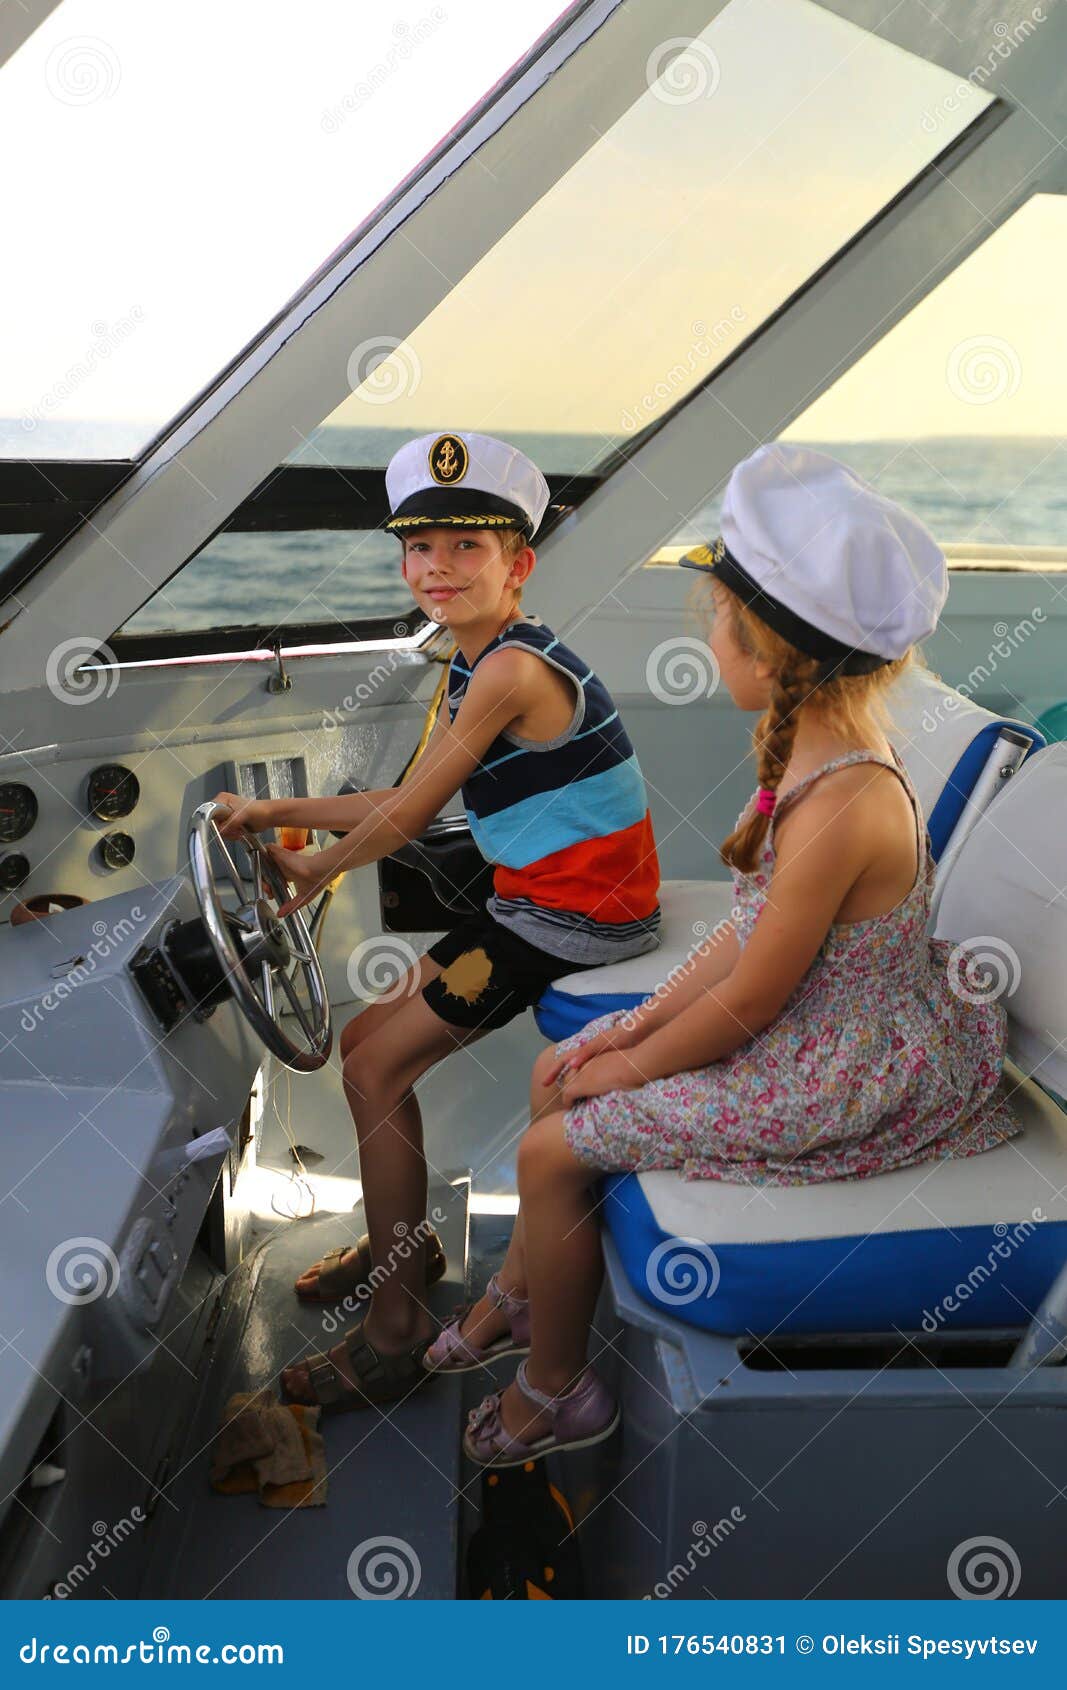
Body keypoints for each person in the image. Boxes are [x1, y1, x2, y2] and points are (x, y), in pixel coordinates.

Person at [456, 442, 1023, 1468]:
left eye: (715, 621)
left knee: (546, 1147)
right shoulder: (812, 748)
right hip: (808, 1022)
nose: (705, 640)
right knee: (556, 1071)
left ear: (767, 654)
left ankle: (557, 1392)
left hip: (836, 1067)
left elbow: (754, 997)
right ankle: (525, 1292)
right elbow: (743, 931)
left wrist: (630, 1062)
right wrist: (631, 1029)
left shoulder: (841, 801)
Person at [211, 429, 661, 1410]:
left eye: (466, 547)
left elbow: (408, 815)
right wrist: (306, 852)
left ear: (517, 565)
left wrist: (283, 828)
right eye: (419, 548)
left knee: (372, 1067)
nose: (436, 567)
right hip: (532, 904)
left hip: (568, 924)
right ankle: (398, 1252)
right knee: (367, 1043)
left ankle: (396, 1328)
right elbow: (411, 802)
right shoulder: (476, 659)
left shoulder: (507, 672)